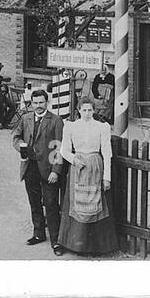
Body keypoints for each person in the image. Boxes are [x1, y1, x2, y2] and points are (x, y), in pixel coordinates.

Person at [56, 98, 117, 255]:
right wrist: (74, 159)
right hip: (78, 168)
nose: (87, 113)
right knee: (77, 204)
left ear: (94, 111)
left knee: (97, 205)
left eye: (90, 110)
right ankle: (76, 245)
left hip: (96, 166)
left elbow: (107, 153)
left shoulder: (101, 127)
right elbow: (64, 150)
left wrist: (107, 177)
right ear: (78, 111)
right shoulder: (70, 127)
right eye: (84, 110)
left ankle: (98, 247)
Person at [12, 88, 66, 254]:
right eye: (35, 103)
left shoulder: (56, 120)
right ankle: (38, 233)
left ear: (47, 102)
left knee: (50, 203)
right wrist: (20, 145)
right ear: (31, 103)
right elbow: (16, 136)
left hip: (48, 169)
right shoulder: (26, 118)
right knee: (34, 201)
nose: (38, 106)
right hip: (30, 167)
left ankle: (56, 241)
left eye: (41, 102)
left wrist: (56, 171)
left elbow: (59, 147)